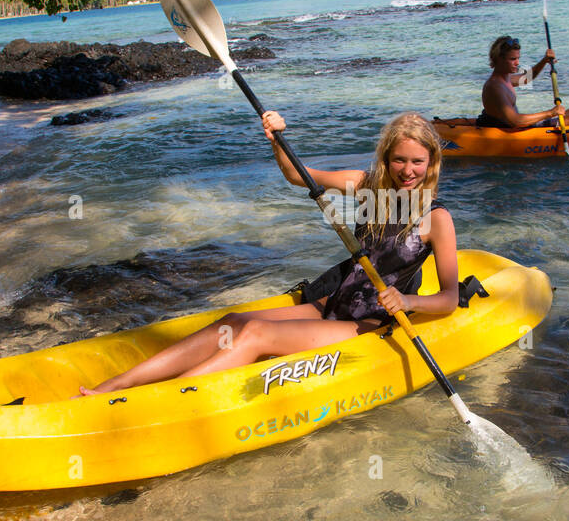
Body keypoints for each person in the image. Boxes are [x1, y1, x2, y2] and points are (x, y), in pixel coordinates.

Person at [79, 111, 459, 395]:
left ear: (431, 163)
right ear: (386, 158)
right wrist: (276, 139)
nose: (406, 170)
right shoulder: (366, 186)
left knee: (257, 333)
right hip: (330, 303)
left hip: (369, 323)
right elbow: (298, 176)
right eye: (399, 160)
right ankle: (118, 384)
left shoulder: (436, 219)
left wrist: (406, 299)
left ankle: (165, 399)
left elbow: (449, 298)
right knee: (233, 323)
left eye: (417, 162)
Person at [478, 35, 569, 128]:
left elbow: (526, 78)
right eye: (513, 59)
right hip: (516, 130)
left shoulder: (505, 78)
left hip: (519, 126)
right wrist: (551, 113)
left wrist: (544, 61)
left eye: (518, 58)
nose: (517, 63)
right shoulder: (495, 87)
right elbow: (516, 121)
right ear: (499, 59)